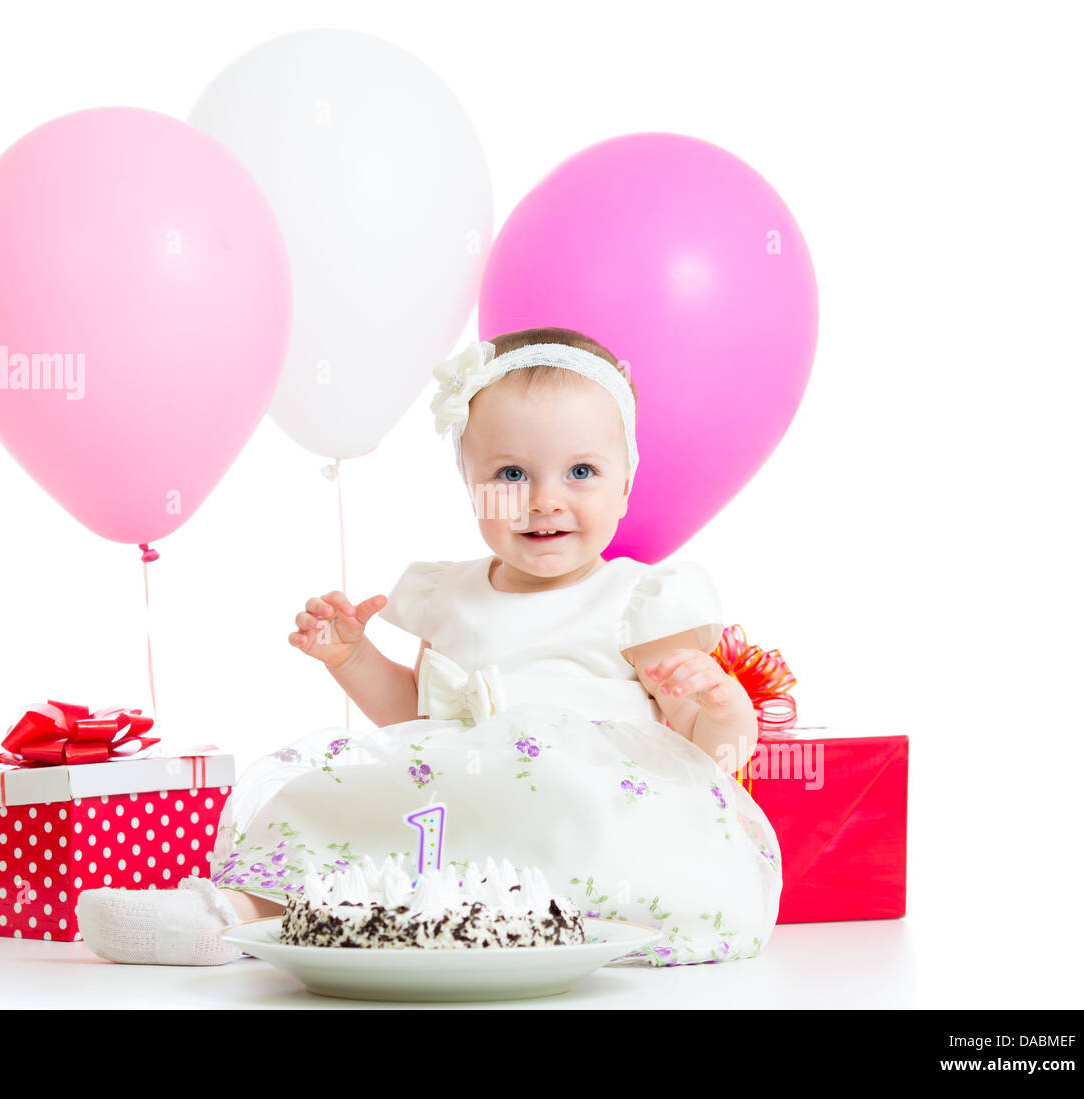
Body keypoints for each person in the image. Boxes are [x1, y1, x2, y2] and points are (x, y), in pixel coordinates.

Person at [76, 327, 781, 966]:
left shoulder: (638, 601)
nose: (544, 499)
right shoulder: (449, 593)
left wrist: (719, 706)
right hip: (452, 805)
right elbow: (414, 718)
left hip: (578, 817)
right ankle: (230, 916)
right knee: (336, 806)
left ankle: (578, 925)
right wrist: (353, 658)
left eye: (581, 472)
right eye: (511, 475)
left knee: (608, 837)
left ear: (625, 484)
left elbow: (703, 753)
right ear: (470, 487)